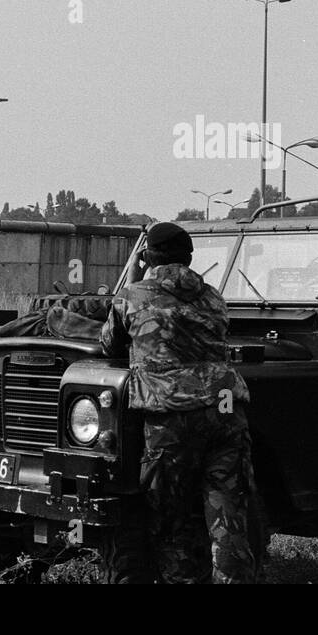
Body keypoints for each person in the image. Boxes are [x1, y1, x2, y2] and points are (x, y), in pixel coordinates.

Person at [99, 221, 256, 584]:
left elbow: (109, 343)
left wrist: (134, 275)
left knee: (172, 522)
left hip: (172, 420)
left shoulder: (133, 295)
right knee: (229, 517)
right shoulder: (214, 296)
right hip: (225, 415)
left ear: (148, 256)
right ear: (189, 258)